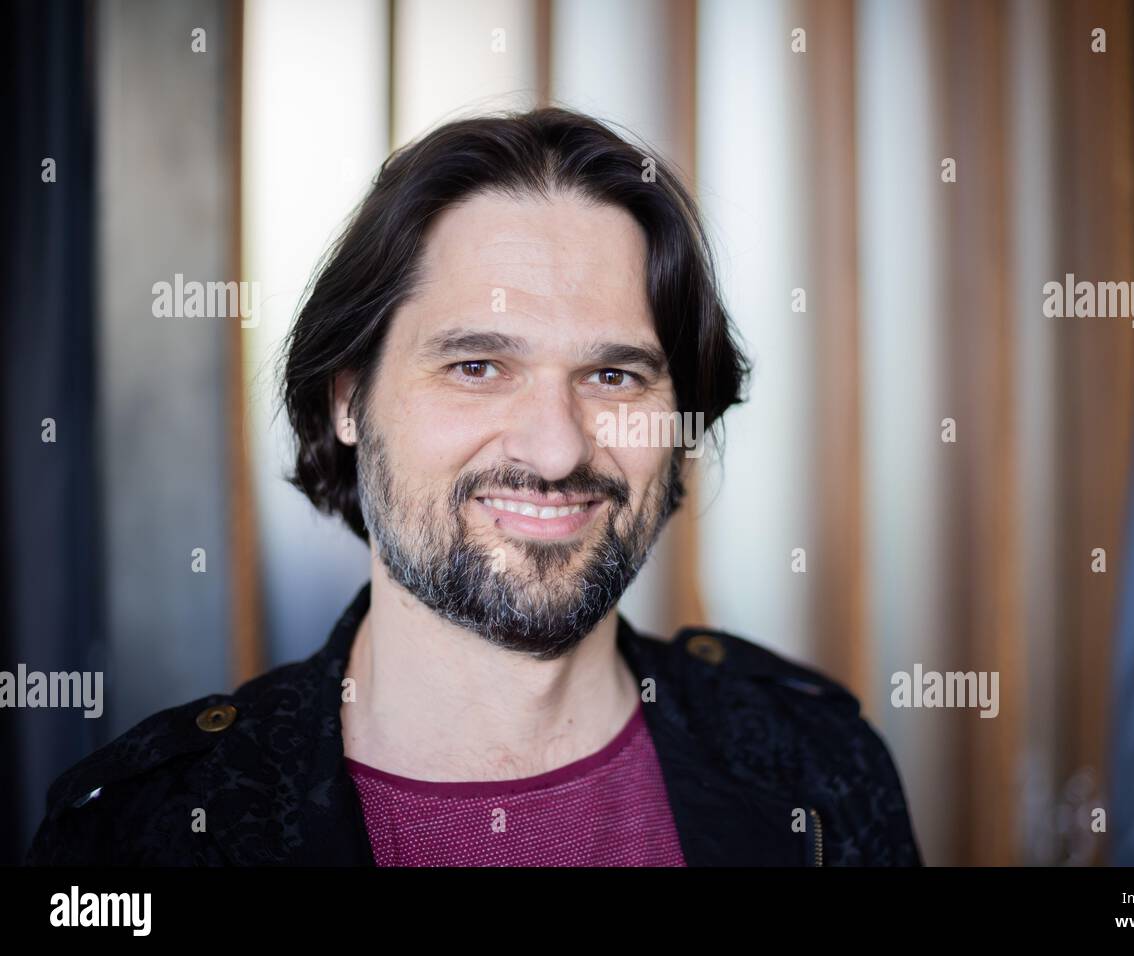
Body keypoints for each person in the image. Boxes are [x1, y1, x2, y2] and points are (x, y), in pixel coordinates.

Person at [27, 107, 919, 866]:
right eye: (479, 365)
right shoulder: (139, 834)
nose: (557, 448)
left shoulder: (819, 767)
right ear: (348, 398)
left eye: (614, 377)